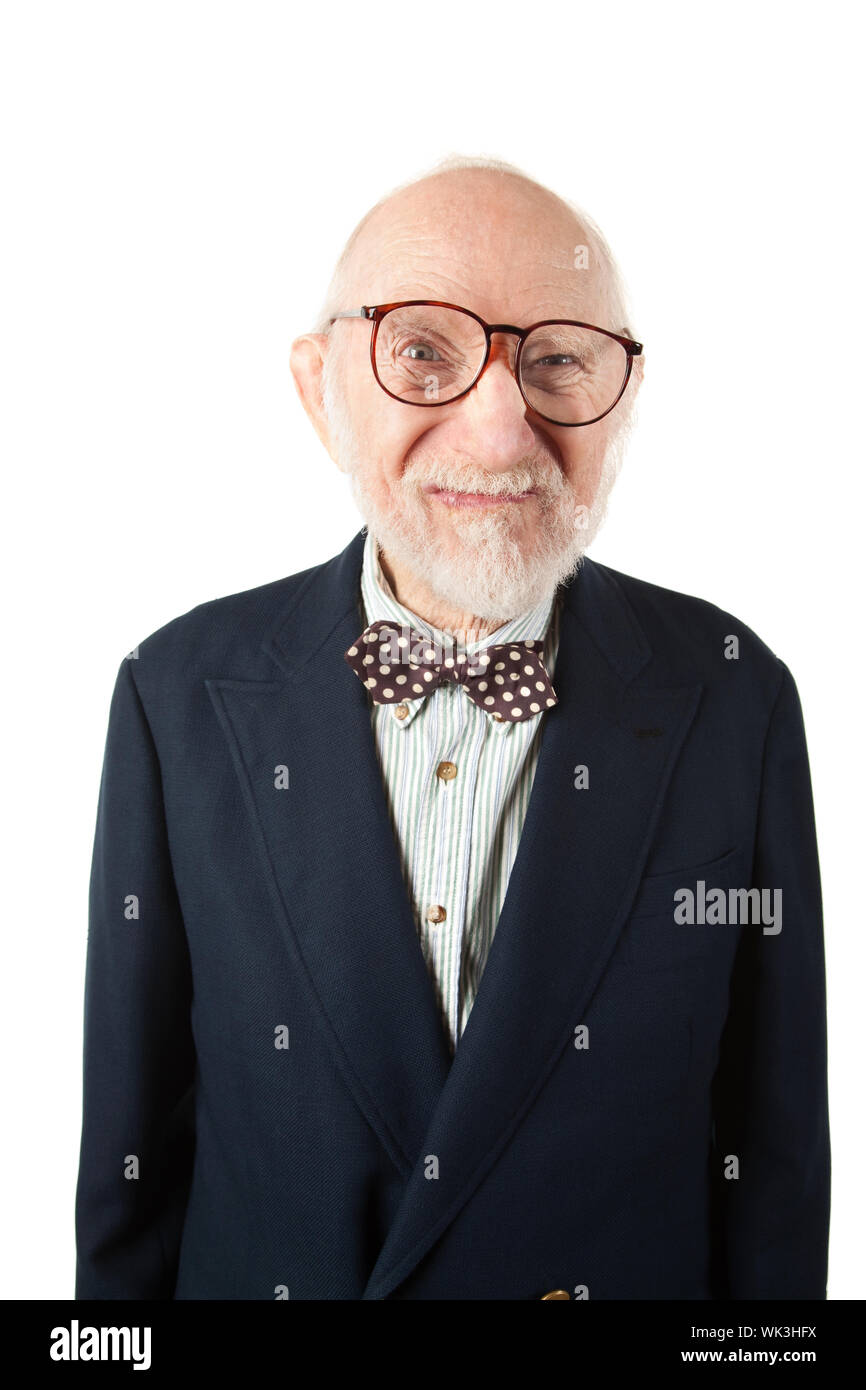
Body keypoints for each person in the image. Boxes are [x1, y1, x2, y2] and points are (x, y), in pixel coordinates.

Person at [75, 155, 830, 1300]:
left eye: (558, 358)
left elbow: (772, 1169)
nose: (497, 425)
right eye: (423, 350)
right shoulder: (174, 693)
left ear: (620, 398)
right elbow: (129, 1176)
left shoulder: (736, 696)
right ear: (318, 388)